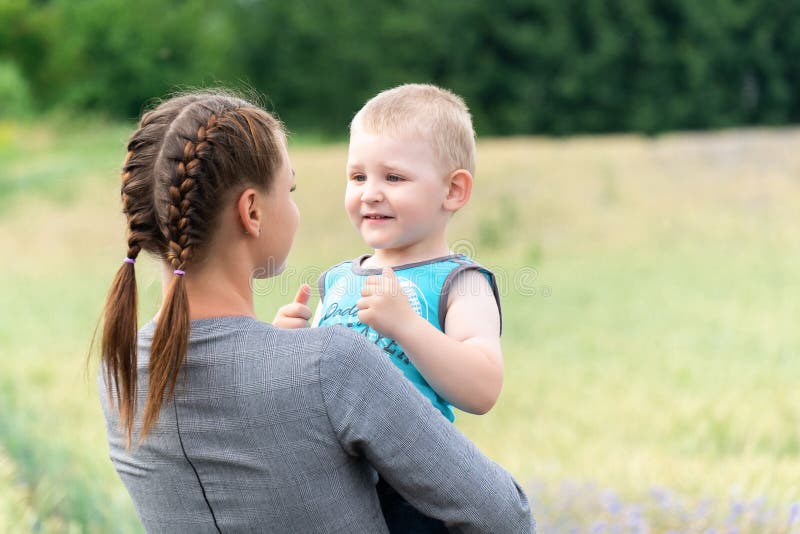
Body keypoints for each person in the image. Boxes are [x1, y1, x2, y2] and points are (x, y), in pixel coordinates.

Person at [96, 90, 534, 533]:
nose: (370, 194)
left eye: (394, 178)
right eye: (290, 189)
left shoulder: (120, 374)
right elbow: (505, 517)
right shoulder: (331, 364)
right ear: (251, 211)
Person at [274, 84, 504, 533]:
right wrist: (287, 349)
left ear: (453, 190)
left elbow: (483, 389)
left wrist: (407, 326)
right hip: (336, 479)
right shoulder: (338, 281)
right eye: (358, 177)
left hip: (412, 490)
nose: (370, 193)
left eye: (393, 178)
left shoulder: (460, 281)